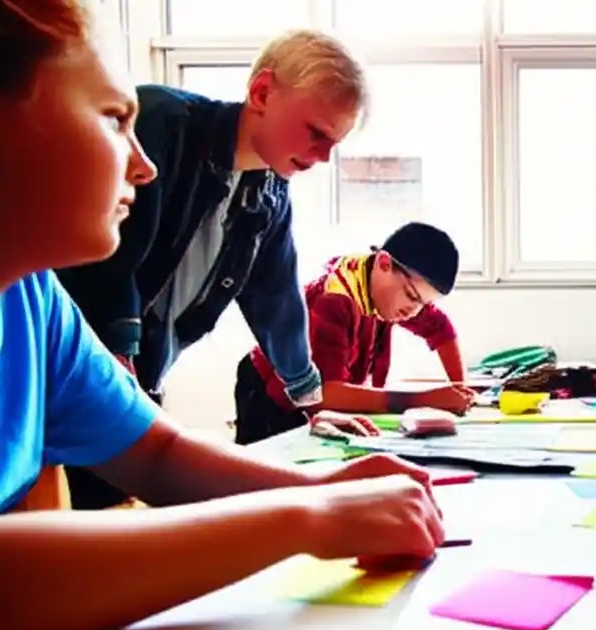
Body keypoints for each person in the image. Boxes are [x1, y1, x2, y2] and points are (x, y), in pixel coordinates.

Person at [0, 0, 442, 630]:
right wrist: (307, 520)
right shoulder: (180, 134)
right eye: (116, 119)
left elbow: (159, 454)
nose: (142, 166)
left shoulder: (33, 304)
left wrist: (325, 489)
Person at [55, 28, 365, 507]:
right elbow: (110, 261)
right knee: (79, 507)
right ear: (262, 93)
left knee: (118, 502)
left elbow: (276, 298)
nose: (324, 157)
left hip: (142, 371)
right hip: (88, 359)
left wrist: (311, 404)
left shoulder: (269, 192)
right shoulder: (162, 123)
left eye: (334, 143)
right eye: (316, 133)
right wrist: (117, 354)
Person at [235, 222, 473, 445]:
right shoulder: (333, 300)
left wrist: (459, 389)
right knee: (275, 475)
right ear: (383, 263)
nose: (414, 311)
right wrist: (424, 399)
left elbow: (440, 329)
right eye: (412, 296)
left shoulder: (388, 291)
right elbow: (323, 395)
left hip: (321, 398)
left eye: (423, 303)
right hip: (270, 394)